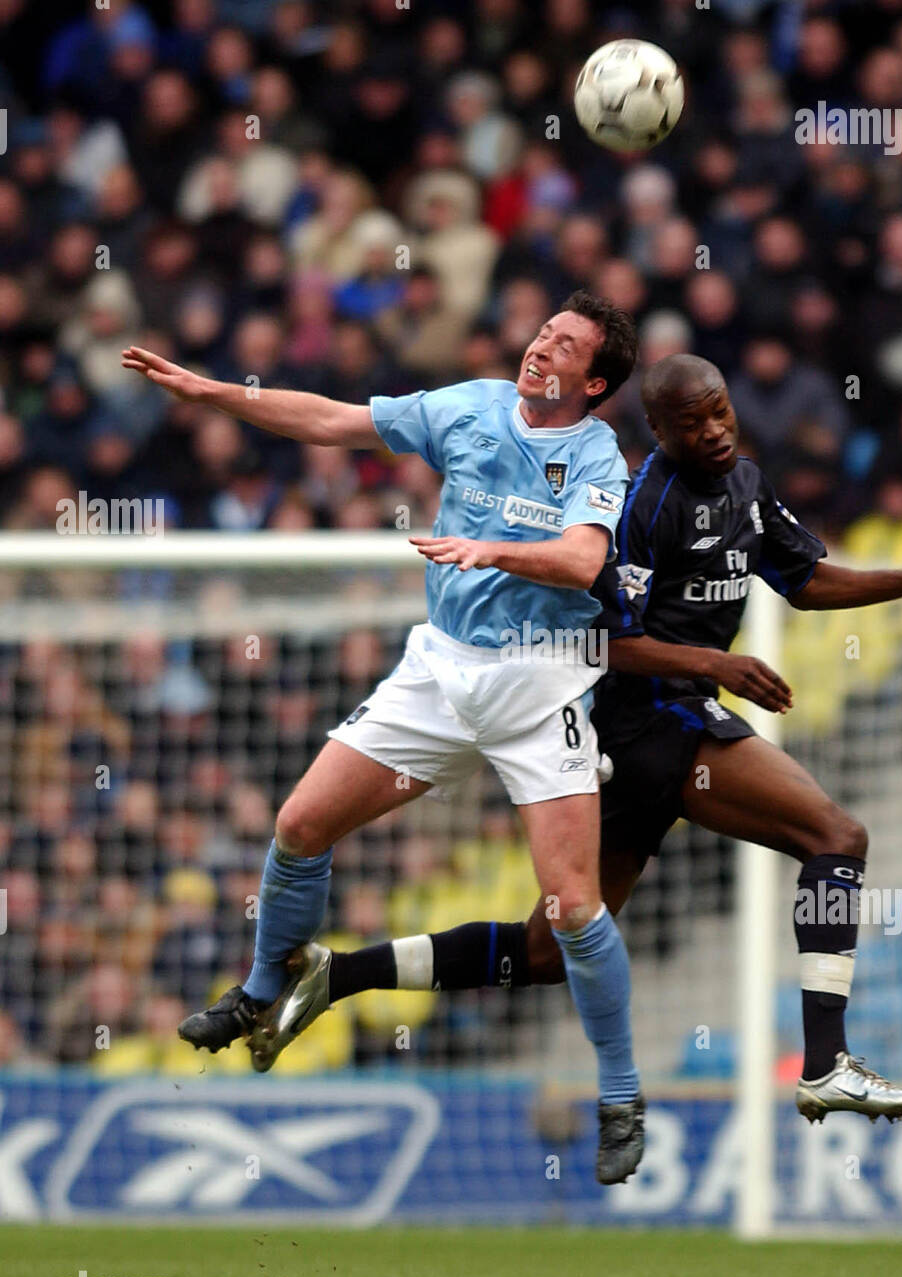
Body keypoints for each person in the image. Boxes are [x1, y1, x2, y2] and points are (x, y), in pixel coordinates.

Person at [266, 353, 902, 1124]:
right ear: (658, 430)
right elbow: (604, 644)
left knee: (547, 951)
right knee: (834, 834)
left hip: (662, 728)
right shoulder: (638, 508)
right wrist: (715, 663)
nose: (715, 430)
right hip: (643, 717)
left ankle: (339, 975)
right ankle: (825, 1064)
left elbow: (807, 579)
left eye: (720, 411)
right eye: (693, 423)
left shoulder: (746, 487)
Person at [121, 291, 649, 1184]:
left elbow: (582, 560)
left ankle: (622, 1096)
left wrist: (494, 552)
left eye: (565, 347)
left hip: (539, 680)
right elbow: (332, 420)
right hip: (439, 672)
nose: (541, 347)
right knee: (298, 825)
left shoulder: (595, 452)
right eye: (544, 332)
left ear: (592, 382)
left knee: (571, 907)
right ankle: (259, 994)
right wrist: (217, 394)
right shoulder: (470, 406)